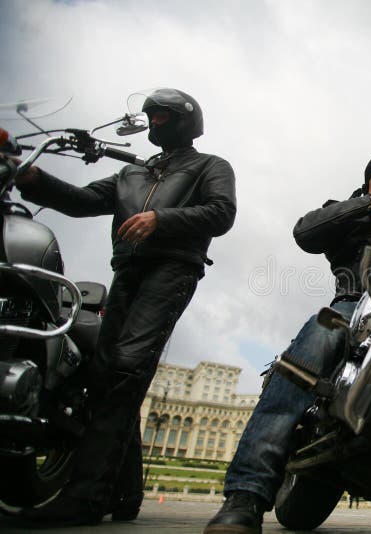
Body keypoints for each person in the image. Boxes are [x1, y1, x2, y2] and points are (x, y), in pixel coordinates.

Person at [12, 88, 237, 525]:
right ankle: (125, 494)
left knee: (125, 369)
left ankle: (87, 497)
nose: (153, 122)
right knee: (107, 373)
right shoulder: (131, 173)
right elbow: (82, 201)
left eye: (162, 116)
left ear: (186, 120)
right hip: (128, 271)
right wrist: (32, 179)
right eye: (149, 116)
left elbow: (222, 213)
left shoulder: (210, 165)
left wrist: (162, 219)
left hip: (172, 268)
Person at [204, 154, 371, 534]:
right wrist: (368, 205)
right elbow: (305, 233)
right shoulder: (344, 209)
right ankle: (245, 496)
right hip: (353, 302)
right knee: (319, 337)